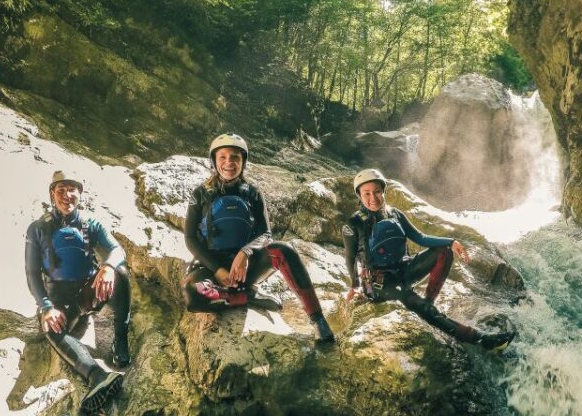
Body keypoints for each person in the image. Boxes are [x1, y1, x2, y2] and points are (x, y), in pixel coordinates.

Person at [182, 133, 335, 343]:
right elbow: (190, 238)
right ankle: (247, 297)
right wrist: (217, 269)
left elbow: (265, 234)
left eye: (235, 157)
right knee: (194, 295)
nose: (229, 163)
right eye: (223, 157)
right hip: (211, 268)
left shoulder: (252, 193)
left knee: (284, 250)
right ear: (214, 161)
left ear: (243, 161)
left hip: (246, 269)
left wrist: (245, 253)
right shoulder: (200, 194)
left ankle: (318, 321)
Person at [342, 169, 515, 350]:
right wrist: (355, 287)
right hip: (378, 283)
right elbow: (350, 257)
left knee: (443, 252)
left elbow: (420, 238)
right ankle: (482, 340)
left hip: (404, 270)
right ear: (360, 196)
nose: (373, 198)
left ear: (383, 190)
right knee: (420, 306)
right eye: (366, 193)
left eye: (377, 191)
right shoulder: (353, 224)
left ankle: (428, 301)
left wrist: (451, 242)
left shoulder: (396, 214)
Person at [25, 171, 131, 415]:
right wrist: (46, 307)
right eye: (60, 190)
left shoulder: (90, 223)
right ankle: (97, 376)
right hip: (60, 301)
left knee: (121, 274)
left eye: (72, 189)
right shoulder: (38, 228)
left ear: (80, 194)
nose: (67, 195)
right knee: (50, 327)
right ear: (52, 194)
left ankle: (120, 344)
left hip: (88, 293)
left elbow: (117, 249)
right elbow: (31, 274)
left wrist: (108, 267)